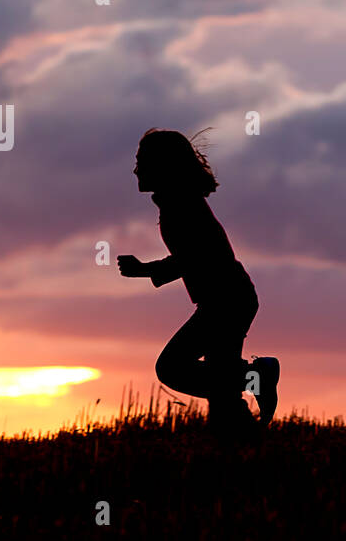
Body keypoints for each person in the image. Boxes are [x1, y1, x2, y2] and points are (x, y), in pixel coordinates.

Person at [118, 127, 279, 429]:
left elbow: (194, 255)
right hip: (227, 298)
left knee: (172, 368)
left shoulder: (181, 204)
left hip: (225, 301)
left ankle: (257, 377)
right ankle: (243, 441)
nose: (136, 169)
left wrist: (147, 270)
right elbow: (194, 254)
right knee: (222, 399)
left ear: (162, 165)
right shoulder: (177, 201)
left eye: (142, 160)